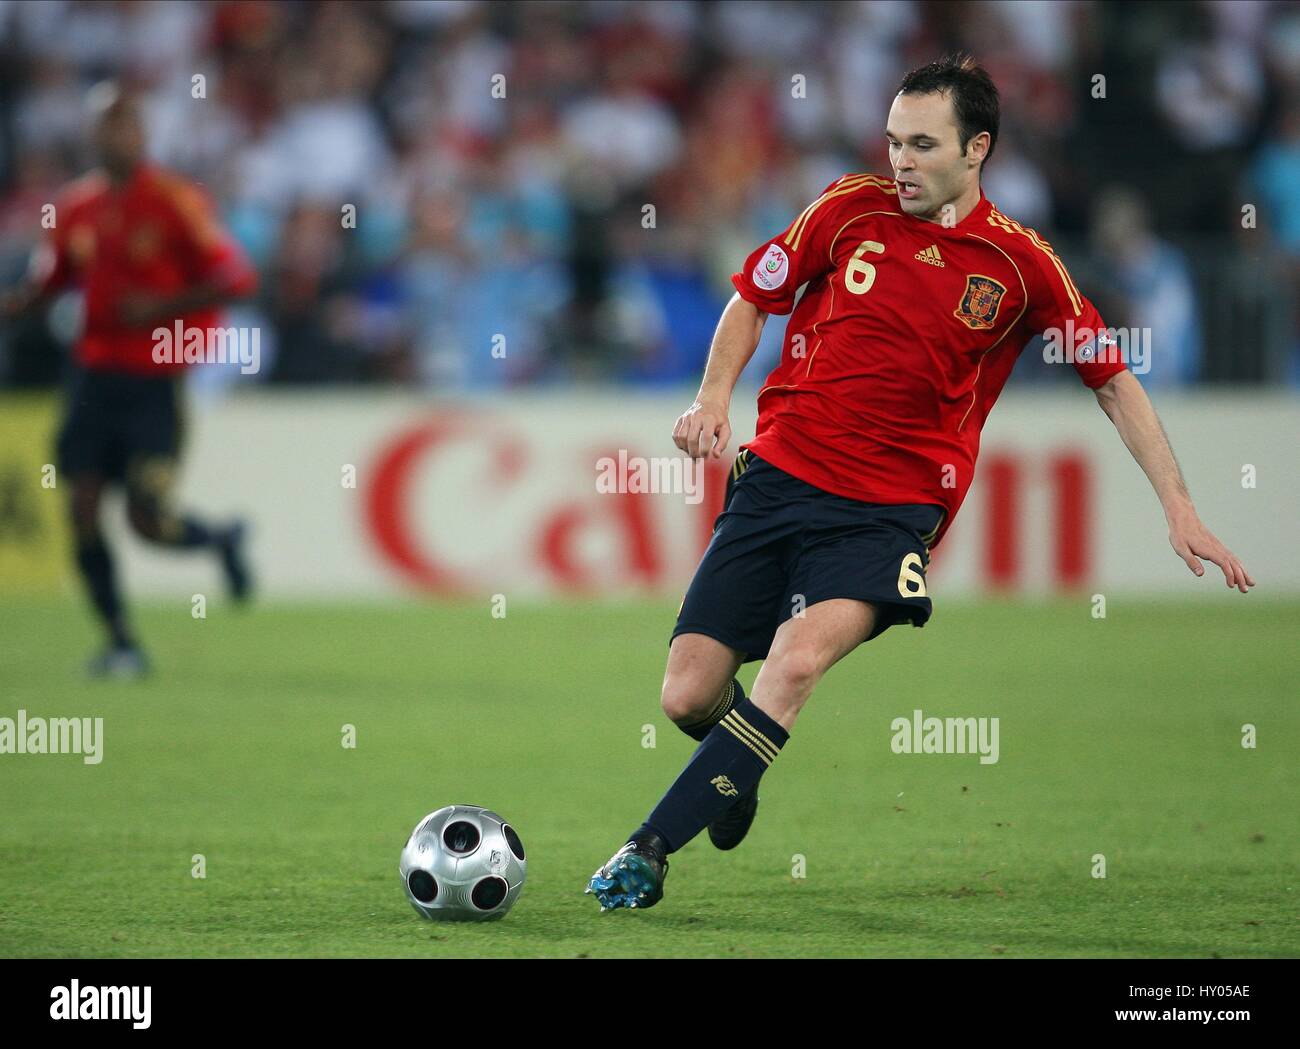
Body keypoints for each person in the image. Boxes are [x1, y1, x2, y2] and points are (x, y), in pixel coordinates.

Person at [586, 55, 1254, 911]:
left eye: (923, 144)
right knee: (686, 695)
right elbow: (755, 295)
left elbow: (1113, 379)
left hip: (889, 513)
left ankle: (645, 851)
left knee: (791, 666)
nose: (900, 160)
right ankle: (733, 771)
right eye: (895, 140)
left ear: (977, 149)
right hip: (778, 478)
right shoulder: (845, 207)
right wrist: (712, 396)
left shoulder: (1020, 265)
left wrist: (1180, 505)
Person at [2, 84, 259, 677]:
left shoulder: (176, 201)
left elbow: (238, 278)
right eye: (107, 125)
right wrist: (17, 303)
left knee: (148, 518)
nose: (118, 135)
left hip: (155, 379)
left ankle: (220, 541)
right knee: (83, 508)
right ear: (92, 135)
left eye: (128, 125)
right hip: (91, 377)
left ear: (143, 134)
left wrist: (163, 306)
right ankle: (121, 641)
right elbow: (51, 283)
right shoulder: (73, 207)